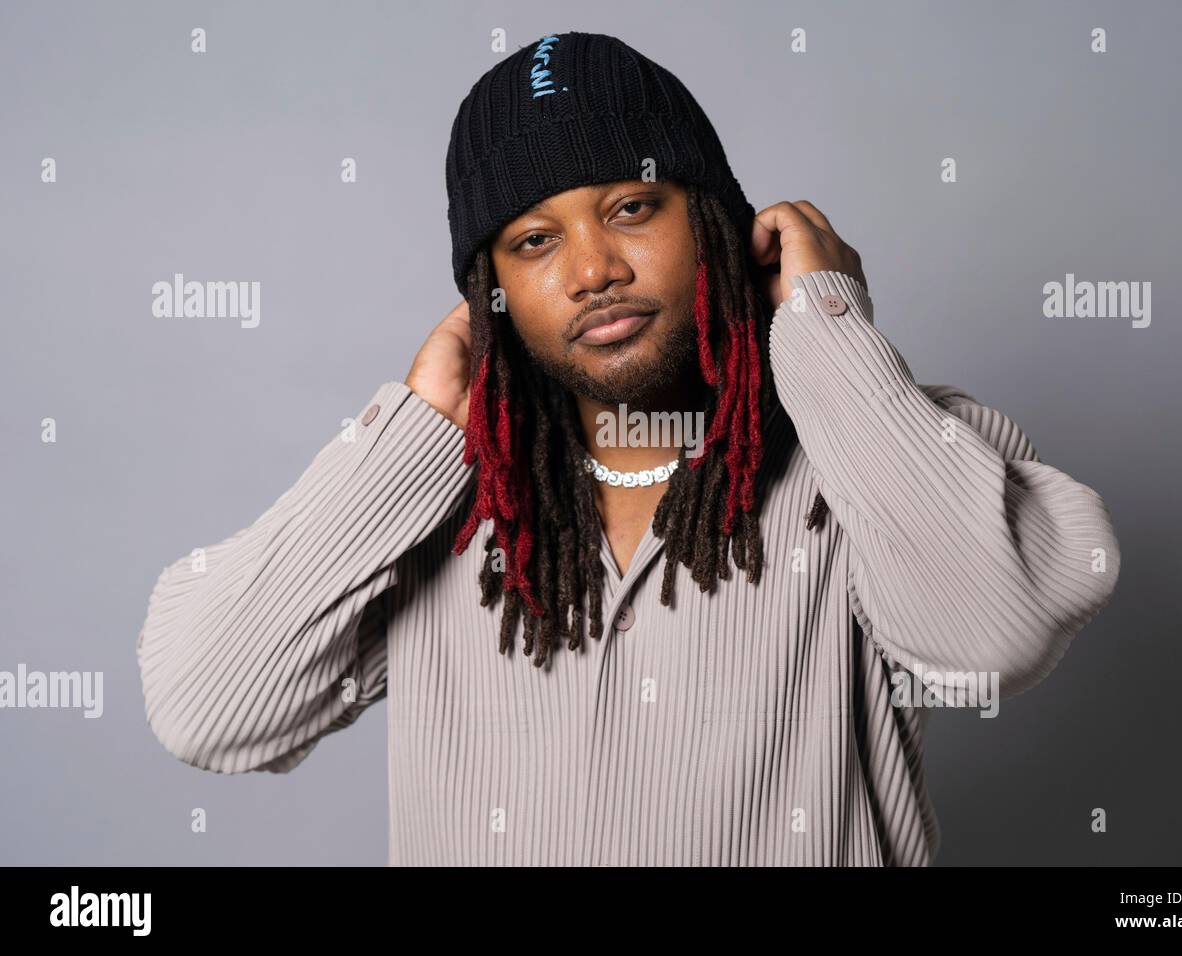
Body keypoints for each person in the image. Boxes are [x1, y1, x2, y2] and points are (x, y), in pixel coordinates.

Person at [136, 31, 1121, 866]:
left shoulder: (881, 455)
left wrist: (825, 330)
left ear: (723, 228)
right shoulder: (433, 507)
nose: (592, 268)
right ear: (491, 294)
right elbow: (209, 705)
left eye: (631, 207)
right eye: (533, 240)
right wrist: (423, 418)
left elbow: (994, 637)